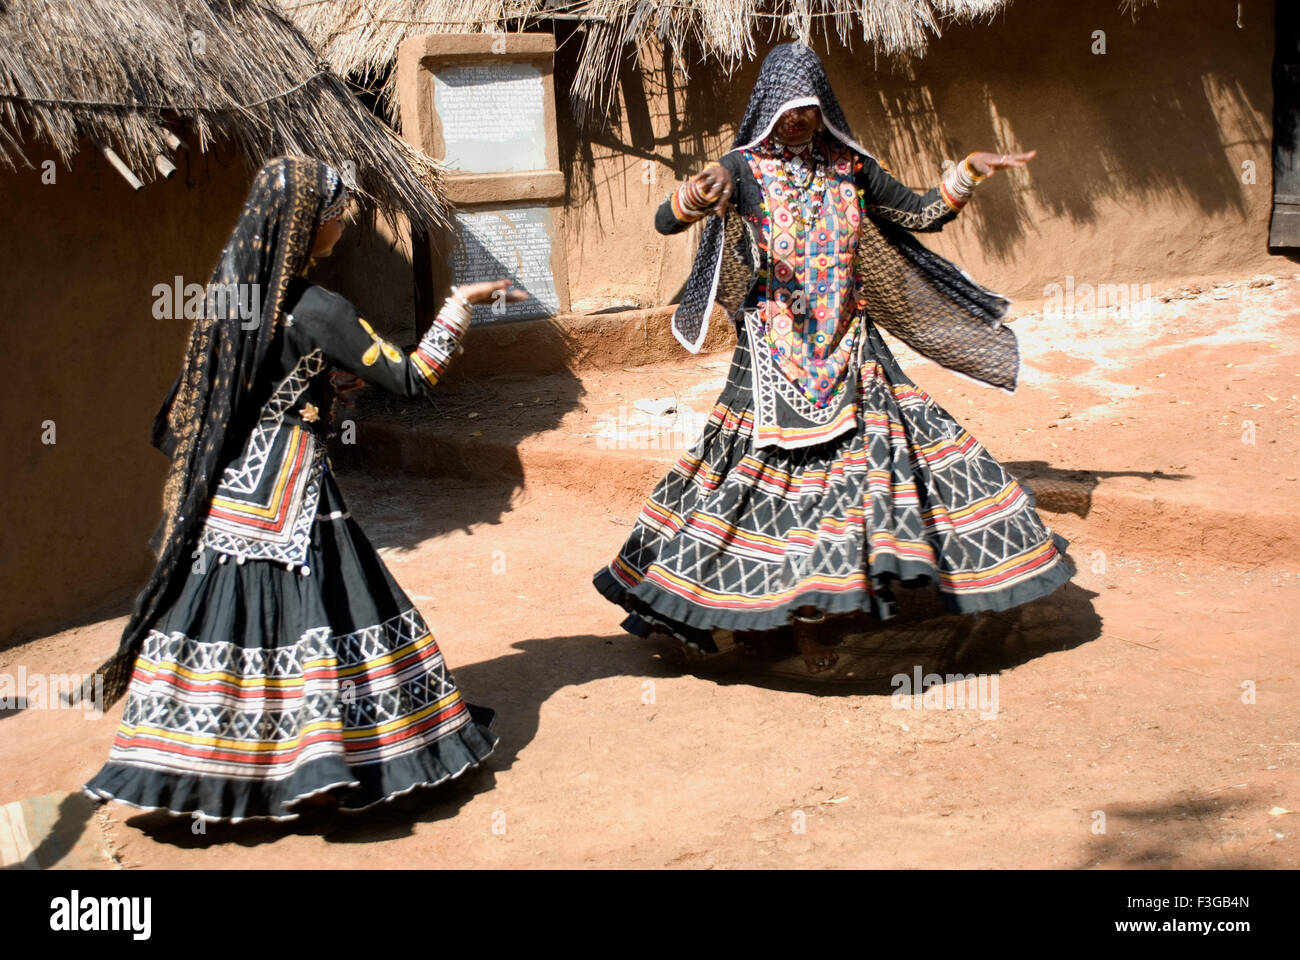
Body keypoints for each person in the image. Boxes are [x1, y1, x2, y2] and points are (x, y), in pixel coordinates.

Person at [593, 43, 1073, 673]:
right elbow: (665, 222)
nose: (797, 119)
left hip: (849, 343)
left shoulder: (851, 167)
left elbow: (919, 212)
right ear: (767, 107)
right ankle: (761, 616)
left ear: (822, 109)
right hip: (772, 356)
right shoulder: (740, 167)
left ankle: (818, 614)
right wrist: (693, 197)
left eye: (808, 108)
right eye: (787, 108)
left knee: (859, 474)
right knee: (760, 488)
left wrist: (968, 172)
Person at [82, 156, 525, 821]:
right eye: (337, 211)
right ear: (306, 225)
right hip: (292, 488)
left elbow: (192, 409)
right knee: (326, 608)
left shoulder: (226, 299)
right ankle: (328, 755)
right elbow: (409, 377)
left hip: (229, 486)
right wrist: (460, 306)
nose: (345, 222)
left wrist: (312, 397)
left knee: (227, 615)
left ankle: (202, 761)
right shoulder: (320, 309)